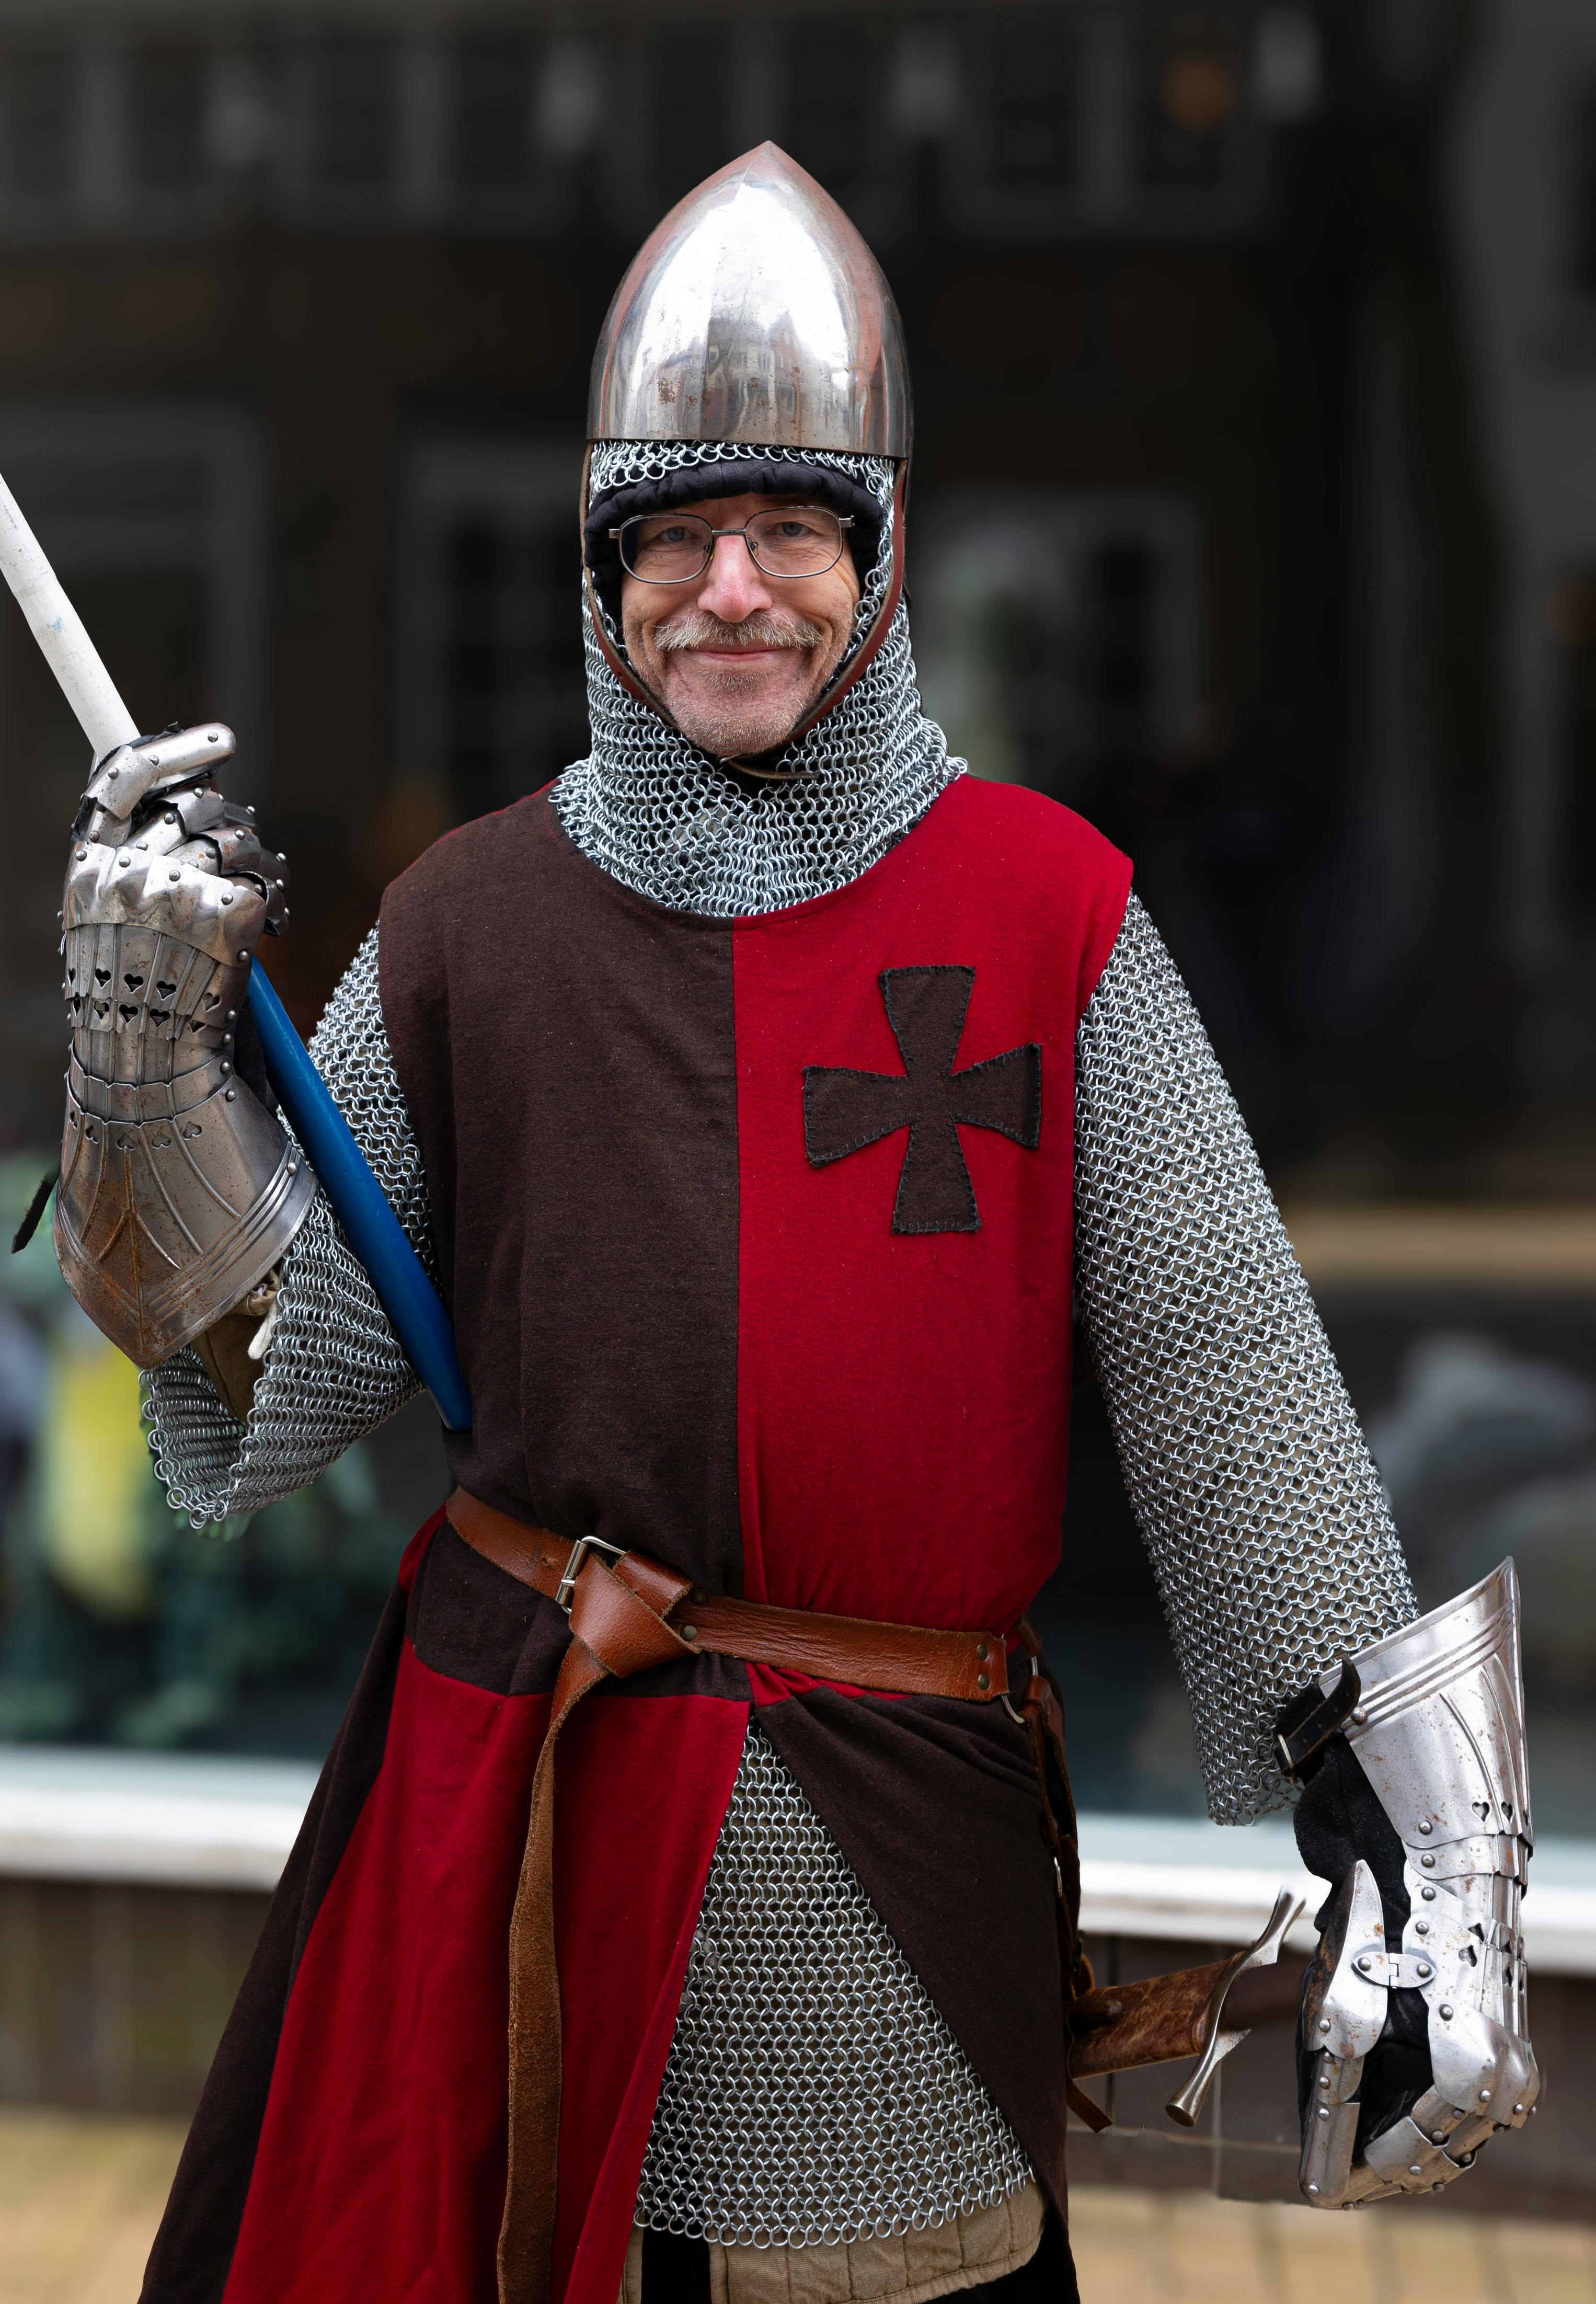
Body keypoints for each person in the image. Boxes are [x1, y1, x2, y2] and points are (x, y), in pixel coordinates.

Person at [53, 146, 1536, 2304]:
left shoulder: (1045, 909)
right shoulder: (471, 921)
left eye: (785, 530)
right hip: (527, 1844)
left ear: (884, 551)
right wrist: (140, 1053)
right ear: (598, 570)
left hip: (900, 1845)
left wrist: (1433, 1866)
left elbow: (1235, 1389)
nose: (726, 585)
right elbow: (266, 1368)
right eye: (670, 535)